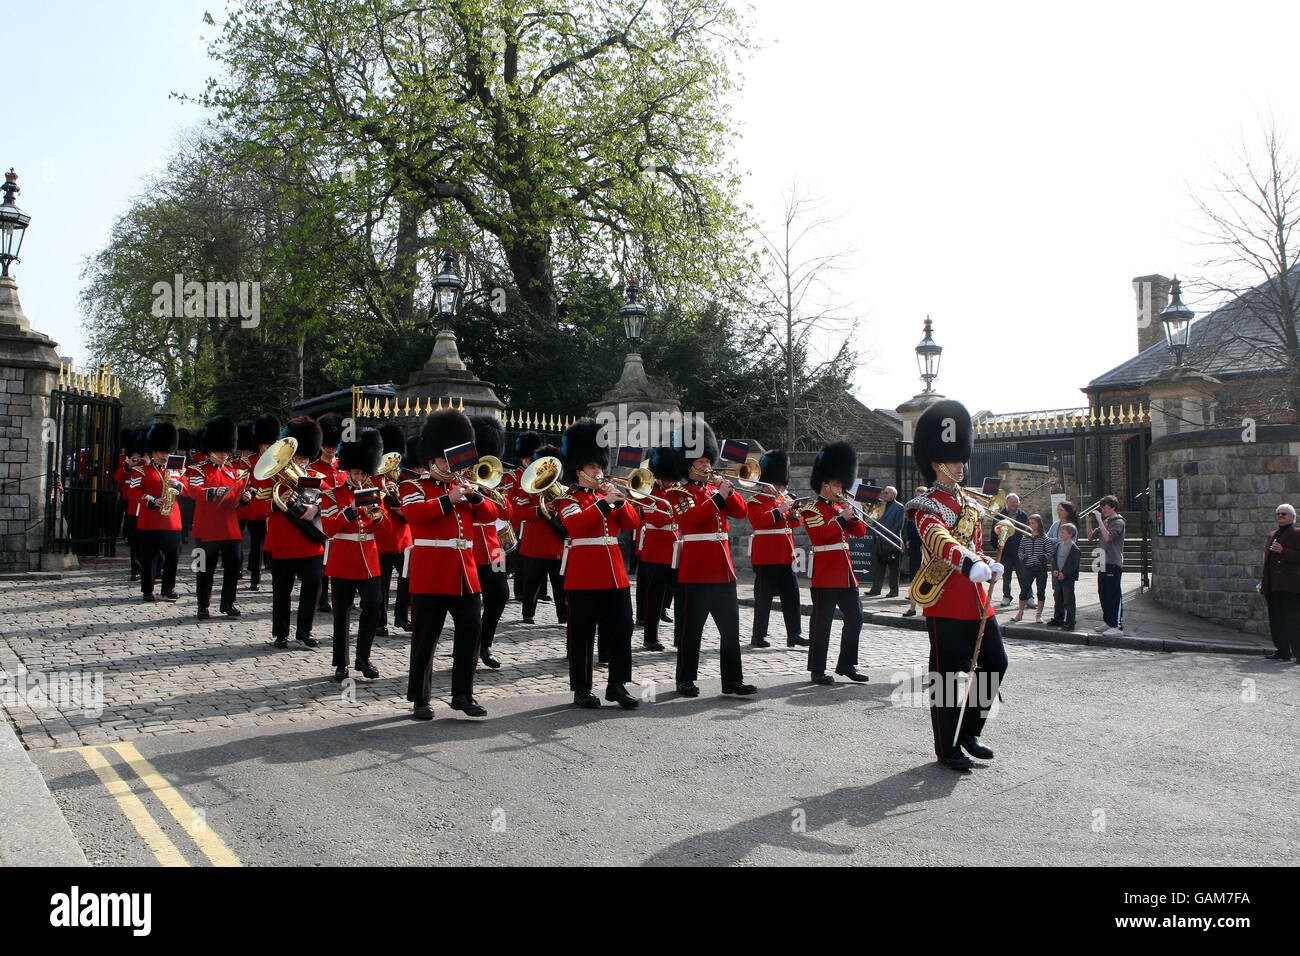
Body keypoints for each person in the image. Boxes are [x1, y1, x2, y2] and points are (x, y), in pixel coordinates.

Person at [905, 400, 1008, 773]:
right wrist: (971, 563)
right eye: (954, 460)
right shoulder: (926, 504)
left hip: (978, 599)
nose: (961, 465)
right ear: (937, 463)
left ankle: (969, 732)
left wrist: (988, 561)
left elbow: (974, 543)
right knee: (946, 677)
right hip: (946, 598)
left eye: (962, 459)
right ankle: (946, 747)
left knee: (996, 662)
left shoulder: (968, 502)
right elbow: (938, 541)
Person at [402, 409, 492, 720]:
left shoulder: (466, 488)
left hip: (465, 574)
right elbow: (415, 515)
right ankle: (420, 698)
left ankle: (462, 694)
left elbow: (495, 514)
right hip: (431, 574)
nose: (448, 465)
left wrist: (475, 497)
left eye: (450, 460)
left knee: (471, 633)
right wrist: (449, 499)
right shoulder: (413, 486)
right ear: (430, 462)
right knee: (426, 637)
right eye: (442, 460)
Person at [553, 418, 641, 709]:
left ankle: (617, 684)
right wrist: (603, 504)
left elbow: (632, 522)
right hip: (584, 573)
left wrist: (621, 501)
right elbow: (577, 526)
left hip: (615, 573)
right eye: (593, 468)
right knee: (582, 633)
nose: (598, 472)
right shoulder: (568, 498)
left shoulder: (608, 496)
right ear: (579, 470)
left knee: (622, 627)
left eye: (600, 467)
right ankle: (581, 688)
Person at [667, 422, 756, 698]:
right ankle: (685, 679)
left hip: (723, 569)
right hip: (697, 569)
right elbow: (691, 520)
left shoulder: (713, 491)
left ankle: (732, 680)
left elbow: (741, 513)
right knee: (691, 629)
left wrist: (728, 492)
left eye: (708, 460)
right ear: (689, 466)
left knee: (730, 630)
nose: (707, 466)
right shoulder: (679, 493)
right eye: (701, 461)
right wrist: (718, 497)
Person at [800, 441, 870, 685]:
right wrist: (840, 519)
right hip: (826, 573)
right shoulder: (812, 510)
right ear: (825, 483)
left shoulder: (841, 508)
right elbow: (819, 537)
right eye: (837, 484)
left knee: (856, 618)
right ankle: (817, 669)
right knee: (822, 623)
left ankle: (847, 664)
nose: (841, 488)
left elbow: (860, 533)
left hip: (846, 574)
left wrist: (853, 513)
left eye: (842, 484)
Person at [321, 427, 386, 683]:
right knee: (342, 613)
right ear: (347, 471)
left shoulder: (373, 494)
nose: (359, 477)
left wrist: (378, 514)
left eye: (363, 472)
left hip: (368, 559)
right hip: (343, 559)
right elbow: (328, 528)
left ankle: (363, 658)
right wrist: (348, 511)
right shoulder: (333, 495)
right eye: (355, 472)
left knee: (373, 605)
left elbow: (383, 526)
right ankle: (341, 663)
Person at [266, 417, 328, 649]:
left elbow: (331, 499)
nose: (302, 461)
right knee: (282, 590)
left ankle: (304, 630)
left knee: (313, 583)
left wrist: (317, 507)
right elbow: (254, 505)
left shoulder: (317, 478)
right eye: (298, 457)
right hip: (282, 541)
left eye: (304, 457)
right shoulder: (275, 477)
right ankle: (281, 633)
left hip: (309, 541)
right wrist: (276, 502)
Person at [184, 416, 248, 621]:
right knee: (204, 568)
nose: (224, 454)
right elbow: (193, 491)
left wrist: (246, 497)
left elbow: (240, 497)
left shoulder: (234, 473)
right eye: (221, 451)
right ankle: (202, 605)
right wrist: (213, 491)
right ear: (210, 450)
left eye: (226, 451)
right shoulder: (197, 469)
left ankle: (228, 603)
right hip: (206, 528)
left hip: (230, 527)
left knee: (234, 565)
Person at [746, 449, 806, 648]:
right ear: (766, 483)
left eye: (782, 485)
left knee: (793, 596)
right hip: (766, 557)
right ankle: (758, 635)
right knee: (764, 599)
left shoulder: (782, 500)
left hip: (786, 556)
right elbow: (759, 522)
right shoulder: (755, 501)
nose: (780, 488)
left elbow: (794, 525)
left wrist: (795, 512)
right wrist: (780, 510)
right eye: (777, 484)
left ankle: (794, 634)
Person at [468, 414, 512, 669]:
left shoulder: (494, 477)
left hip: (493, 548)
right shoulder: (461, 476)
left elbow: (506, 513)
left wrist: (489, 491)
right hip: (469, 546)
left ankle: (485, 644)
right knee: (470, 603)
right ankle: (468, 648)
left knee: (499, 595)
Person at [129, 422, 185, 602]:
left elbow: (189, 489)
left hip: (172, 520)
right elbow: (133, 492)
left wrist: (178, 486)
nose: (164, 455)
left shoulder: (177, 469)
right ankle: (147, 589)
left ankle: (168, 588)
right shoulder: (141, 470)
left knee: (172, 556)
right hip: (150, 519)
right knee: (149, 557)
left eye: (167, 451)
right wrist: (152, 501)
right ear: (153, 451)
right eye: (161, 451)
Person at [635, 445, 682, 651]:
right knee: (654, 597)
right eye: (667, 478)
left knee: (678, 592)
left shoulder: (674, 491)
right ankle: (650, 637)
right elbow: (655, 518)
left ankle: (680, 637)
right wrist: (673, 510)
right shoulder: (647, 492)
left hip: (675, 546)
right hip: (655, 547)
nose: (670, 482)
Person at [516, 443, 568, 625]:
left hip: (556, 544)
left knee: (560, 584)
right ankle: (528, 613)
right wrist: (539, 510)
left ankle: (564, 614)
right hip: (535, 545)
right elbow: (518, 513)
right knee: (531, 584)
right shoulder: (529, 488)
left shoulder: (563, 490)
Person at [374, 424, 413, 635]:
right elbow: (374, 510)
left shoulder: (404, 477)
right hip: (382, 538)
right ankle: (380, 622)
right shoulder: (373, 478)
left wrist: (399, 503)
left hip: (404, 537)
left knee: (408, 579)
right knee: (382, 584)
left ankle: (401, 616)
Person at [1259, 503, 1300, 662]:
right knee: (1276, 620)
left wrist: (1284, 551)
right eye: (1278, 514)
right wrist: (1263, 583)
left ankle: (1298, 653)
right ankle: (1282, 651)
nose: (1281, 516)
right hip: (1273, 585)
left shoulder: (1297, 533)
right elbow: (1267, 562)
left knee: (1293, 620)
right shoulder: (1272, 534)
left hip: (1291, 585)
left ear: (1292, 517)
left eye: (1284, 514)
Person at [244, 413, 281, 592]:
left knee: (273, 544)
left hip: (274, 507)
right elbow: (246, 482)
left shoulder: (279, 461)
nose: (269, 447)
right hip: (257, 507)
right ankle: (255, 579)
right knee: (256, 545)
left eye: (271, 443)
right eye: (266, 444)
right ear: (259, 444)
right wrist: (251, 491)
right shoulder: (250, 461)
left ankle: (275, 576)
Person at [314, 412, 345, 615]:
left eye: (333, 444)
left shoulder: (343, 468)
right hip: (322, 520)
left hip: (341, 521)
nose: (330, 448)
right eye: (327, 444)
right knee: (322, 562)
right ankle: (322, 597)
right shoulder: (313, 468)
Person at [1086, 495, 1126, 636]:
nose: (1103, 511)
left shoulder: (1118, 522)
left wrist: (1100, 520)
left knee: (1113, 594)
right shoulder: (1106, 522)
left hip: (1113, 562)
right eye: (1102, 508)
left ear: (1113, 507)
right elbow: (1091, 537)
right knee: (1103, 593)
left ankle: (1117, 625)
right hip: (1101, 560)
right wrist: (1089, 523)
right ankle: (1108, 621)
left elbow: (1108, 537)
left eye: (1105, 508)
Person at [1012, 515, 1052, 623]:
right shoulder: (1025, 538)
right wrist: (1024, 559)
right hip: (1028, 568)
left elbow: (1050, 552)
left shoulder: (1045, 538)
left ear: (1039, 524)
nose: (1031, 525)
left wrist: (1042, 558)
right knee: (1024, 590)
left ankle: (1038, 615)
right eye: (1030, 523)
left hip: (1040, 568)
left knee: (1041, 591)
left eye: (1033, 523)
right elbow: (1020, 550)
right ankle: (1020, 612)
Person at [867, 486, 906, 598]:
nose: (884, 495)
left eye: (887, 493)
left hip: (892, 541)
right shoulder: (880, 506)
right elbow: (873, 520)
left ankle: (894, 590)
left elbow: (898, 525)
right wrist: (877, 533)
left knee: (894, 568)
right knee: (879, 566)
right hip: (880, 540)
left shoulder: (899, 507)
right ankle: (875, 589)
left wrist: (886, 534)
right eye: (884, 493)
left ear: (893, 495)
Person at [996, 493, 1029, 607]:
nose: (1015, 504)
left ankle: (1028, 596)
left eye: (1017, 502)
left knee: (1023, 575)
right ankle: (1006, 596)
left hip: (1020, 551)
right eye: (1013, 502)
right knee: (1006, 576)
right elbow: (994, 532)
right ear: (1007, 503)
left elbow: (1026, 533)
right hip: (1006, 552)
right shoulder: (1000, 515)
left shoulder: (1023, 515)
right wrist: (998, 547)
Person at [1047, 522, 1080, 629]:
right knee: (1058, 598)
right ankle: (1058, 618)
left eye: (1063, 532)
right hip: (1058, 576)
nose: (1061, 534)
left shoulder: (1074, 548)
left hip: (1067, 578)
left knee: (1068, 600)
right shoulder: (1058, 545)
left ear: (1070, 534)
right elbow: (1054, 559)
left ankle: (1070, 621)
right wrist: (1055, 570)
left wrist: (1064, 573)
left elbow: (1074, 565)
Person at [902, 486, 927, 617]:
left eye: (920, 495)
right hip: (916, 545)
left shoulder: (927, 510)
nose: (917, 498)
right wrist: (909, 540)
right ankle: (912, 608)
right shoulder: (914, 509)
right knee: (915, 575)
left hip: (927, 546)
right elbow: (909, 526)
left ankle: (923, 608)